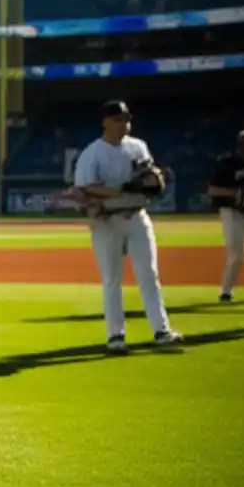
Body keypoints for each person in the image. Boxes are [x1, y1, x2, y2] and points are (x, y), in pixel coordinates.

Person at [71, 100, 182, 353]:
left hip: (137, 217)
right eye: (118, 119)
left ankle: (161, 330)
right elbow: (83, 190)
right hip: (106, 220)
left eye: (126, 119)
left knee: (149, 274)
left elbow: (152, 176)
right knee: (112, 279)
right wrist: (121, 189)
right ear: (105, 122)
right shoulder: (92, 153)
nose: (124, 124)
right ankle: (115, 336)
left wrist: (154, 180)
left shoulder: (138, 146)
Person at [208, 130, 244, 301]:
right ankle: (226, 291)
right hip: (233, 212)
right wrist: (235, 193)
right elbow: (212, 189)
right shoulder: (227, 163)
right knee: (239, 255)